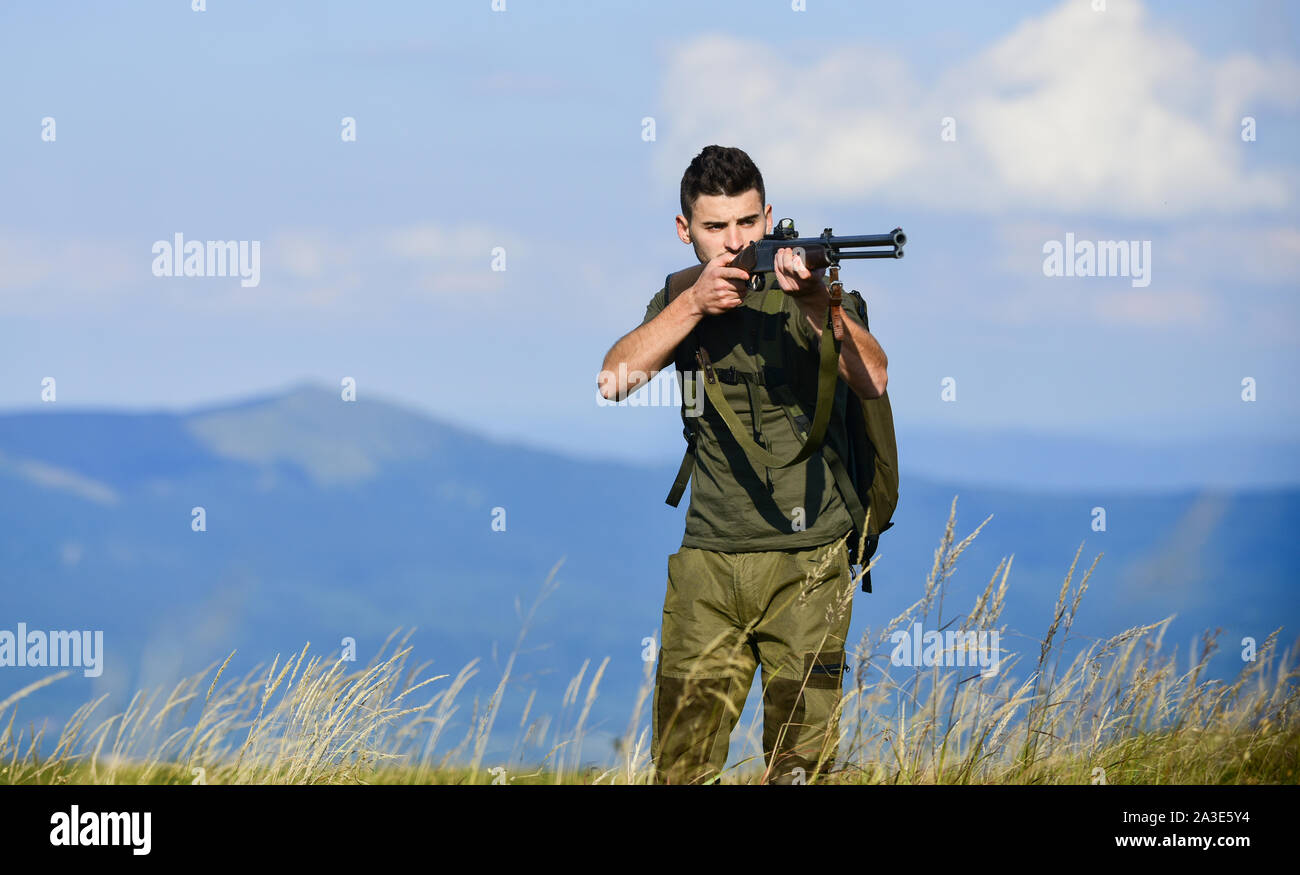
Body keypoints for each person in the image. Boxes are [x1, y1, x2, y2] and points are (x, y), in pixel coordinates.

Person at [597, 145, 889, 784]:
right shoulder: (681, 296)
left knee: (800, 770)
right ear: (685, 231)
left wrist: (816, 303)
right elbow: (613, 381)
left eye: (748, 222)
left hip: (808, 562)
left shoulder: (815, 295)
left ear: (770, 217)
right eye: (715, 226)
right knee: (681, 767)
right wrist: (692, 306)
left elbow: (873, 380)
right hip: (708, 561)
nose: (734, 241)